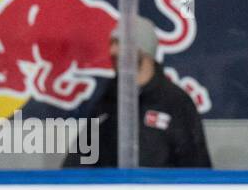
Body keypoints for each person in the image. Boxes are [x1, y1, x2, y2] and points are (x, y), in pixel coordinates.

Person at [67, 16, 212, 168]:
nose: (113, 50)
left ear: (144, 49)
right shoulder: (107, 100)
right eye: (112, 43)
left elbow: (198, 171)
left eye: (120, 43)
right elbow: (77, 164)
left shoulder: (176, 103)